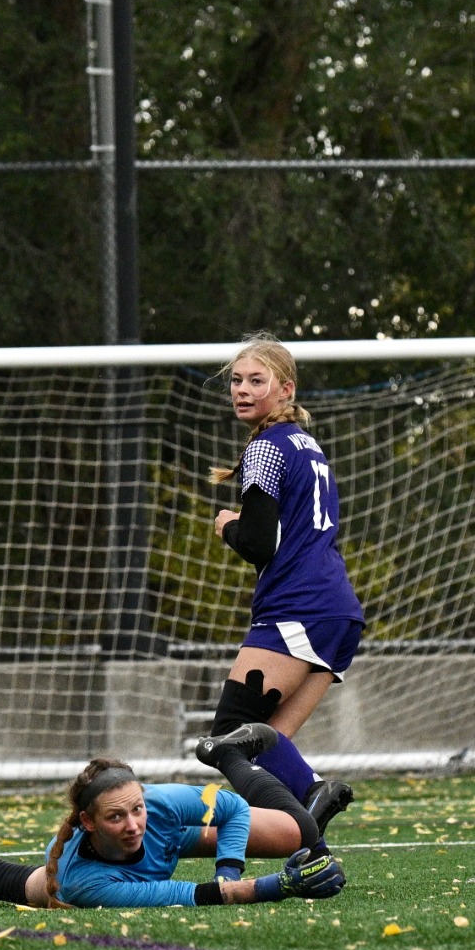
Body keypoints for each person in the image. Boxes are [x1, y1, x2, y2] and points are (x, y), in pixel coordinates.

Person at [194, 334, 366, 860]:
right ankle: (309, 854)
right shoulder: (306, 445)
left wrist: (227, 525)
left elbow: (258, 543)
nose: (242, 391)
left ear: (285, 389)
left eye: (256, 381)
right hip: (336, 611)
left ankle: (316, 791)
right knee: (263, 746)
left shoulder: (265, 448)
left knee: (228, 735)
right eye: (236, 381)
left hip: (299, 606)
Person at [0, 758, 345, 909]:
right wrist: (278, 886)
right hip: (109, 874)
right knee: (26, 885)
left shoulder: (156, 804)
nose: (133, 823)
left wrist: (229, 869)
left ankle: (230, 755)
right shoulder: (82, 882)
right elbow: (182, 894)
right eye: (117, 817)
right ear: (90, 823)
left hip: (173, 838)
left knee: (296, 832)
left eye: (136, 809)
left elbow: (232, 806)